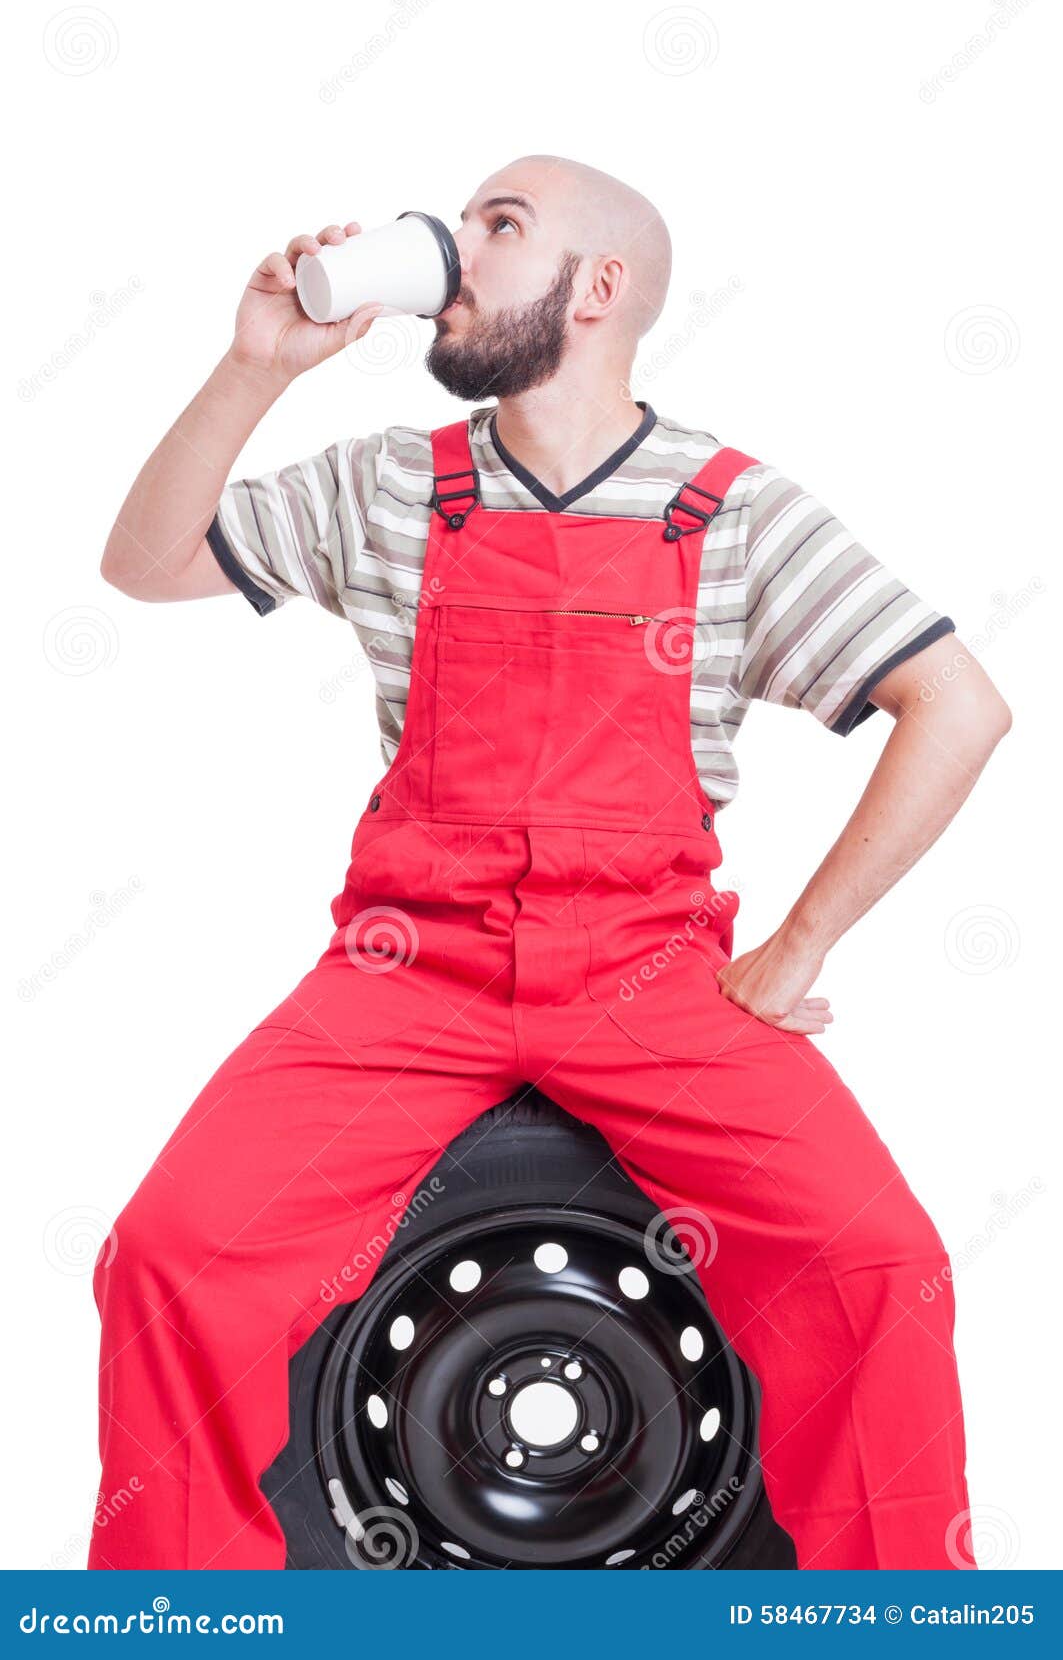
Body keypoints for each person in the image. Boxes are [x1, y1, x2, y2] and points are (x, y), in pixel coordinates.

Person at [92, 154, 1010, 1571]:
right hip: (410, 971)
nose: (455, 252)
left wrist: (800, 947)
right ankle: (178, 1615)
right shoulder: (394, 484)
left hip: (649, 973)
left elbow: (959, 705)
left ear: (600, 289)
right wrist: (254, 365)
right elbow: (145, 562)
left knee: (877, 1264)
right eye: (458, 223)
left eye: (497, 227)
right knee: (170, 1258)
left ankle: (893, 1620)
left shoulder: (733, 511)